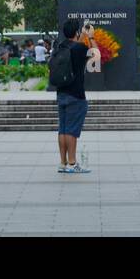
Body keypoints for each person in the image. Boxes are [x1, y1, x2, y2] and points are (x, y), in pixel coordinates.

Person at [51, 19, 92, 174]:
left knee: (63, 129)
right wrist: (90, 36)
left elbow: (74, 46)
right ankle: (72, 163)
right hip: (76, 94)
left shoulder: (60, 46)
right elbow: (95, 53)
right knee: (72, 131)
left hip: (61, 91)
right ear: (76, 32)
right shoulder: (80, 48)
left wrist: (81, 36)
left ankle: (63, 163)